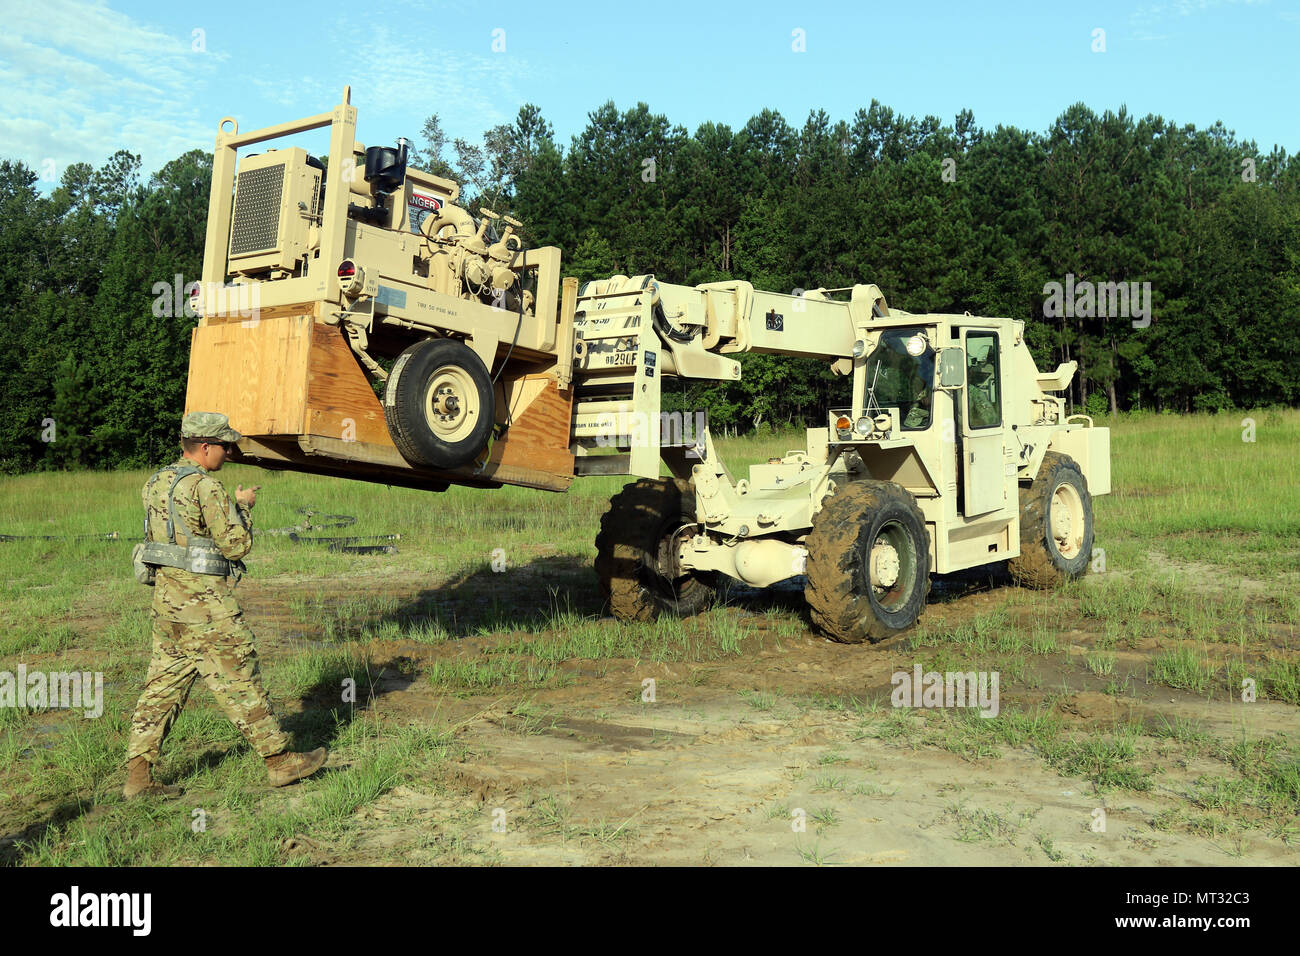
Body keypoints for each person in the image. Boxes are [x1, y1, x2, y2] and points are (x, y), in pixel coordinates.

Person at [124, 411, 327, 799]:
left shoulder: (155, 482)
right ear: (204, 447)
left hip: (167, 606)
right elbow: (236, 545)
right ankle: (279, 761)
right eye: (224, 445)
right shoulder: (207, 487)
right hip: (206, 609)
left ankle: (138, 776)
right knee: (240, 680)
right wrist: (244, 507)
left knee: (160, 691)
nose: (229, 452)